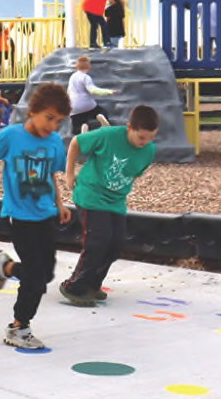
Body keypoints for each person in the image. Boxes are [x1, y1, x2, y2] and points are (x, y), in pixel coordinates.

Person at [0, 83, 71, 350]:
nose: (52, 126)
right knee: (36, 276)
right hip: (20, 215)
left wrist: (60, 204)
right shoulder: (11, 136)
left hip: (45, 214)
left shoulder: (53, 143)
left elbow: (50, 174)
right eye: (49, 118)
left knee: (46, 273)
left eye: (58, 122)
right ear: (33, 112)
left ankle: (6, 267)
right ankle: (19, 327)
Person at [58, 105, 160, 306]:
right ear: (129, 127)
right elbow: (76, 143)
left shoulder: (149, 150)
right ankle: (74, 286)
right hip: (91, 194)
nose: (145, 143)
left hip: (115, 201)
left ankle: (92, 284)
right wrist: (69, 173)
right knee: (98, 240)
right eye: (141, 138)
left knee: (116, 244)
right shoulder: (108, 135)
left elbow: (134, 172)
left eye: (151, 138)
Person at [67, 54, 114, 135]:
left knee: (77, 123)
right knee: (100, 111)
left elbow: (68, 91)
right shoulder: (86, 77)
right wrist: (108, 91)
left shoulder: (72, 77)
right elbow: (92, 90)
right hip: (88, 105)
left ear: (77, 66)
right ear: (88, 67)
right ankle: (100, 116)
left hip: (75, 107)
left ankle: (83, 127)